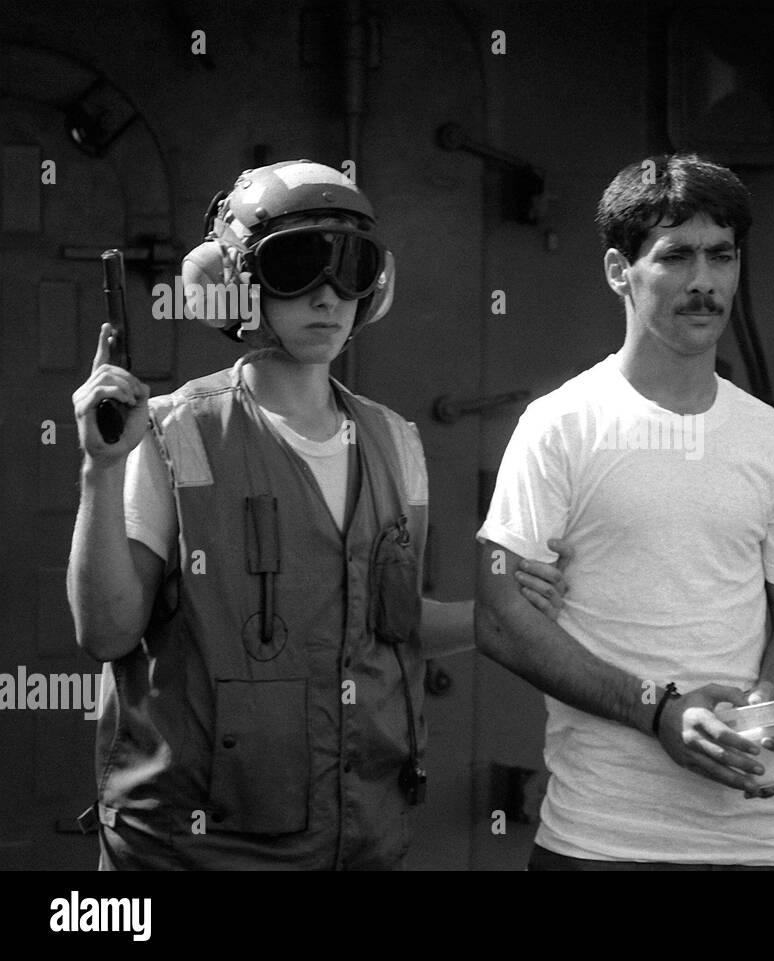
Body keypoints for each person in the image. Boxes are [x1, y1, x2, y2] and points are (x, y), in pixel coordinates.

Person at [68, 160, 569, 870]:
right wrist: (102, 468)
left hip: (359, 843)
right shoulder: (172, 431)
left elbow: (383, 624)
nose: (328, 296)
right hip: (194, 854)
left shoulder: (395, 441)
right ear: (233, 281)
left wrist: (497, 612)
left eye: (351, 268)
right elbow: (107, 629)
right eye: (297, 264)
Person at [475, 153, 774, 869]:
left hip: (757, 842)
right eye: (675, 257)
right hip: (601, 840)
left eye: (721, 256)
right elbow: (499, 616)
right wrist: (658, 709)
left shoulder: (768, 435)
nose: (704, 282)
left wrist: (770, 700)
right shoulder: (561, 424)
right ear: (618, 270)